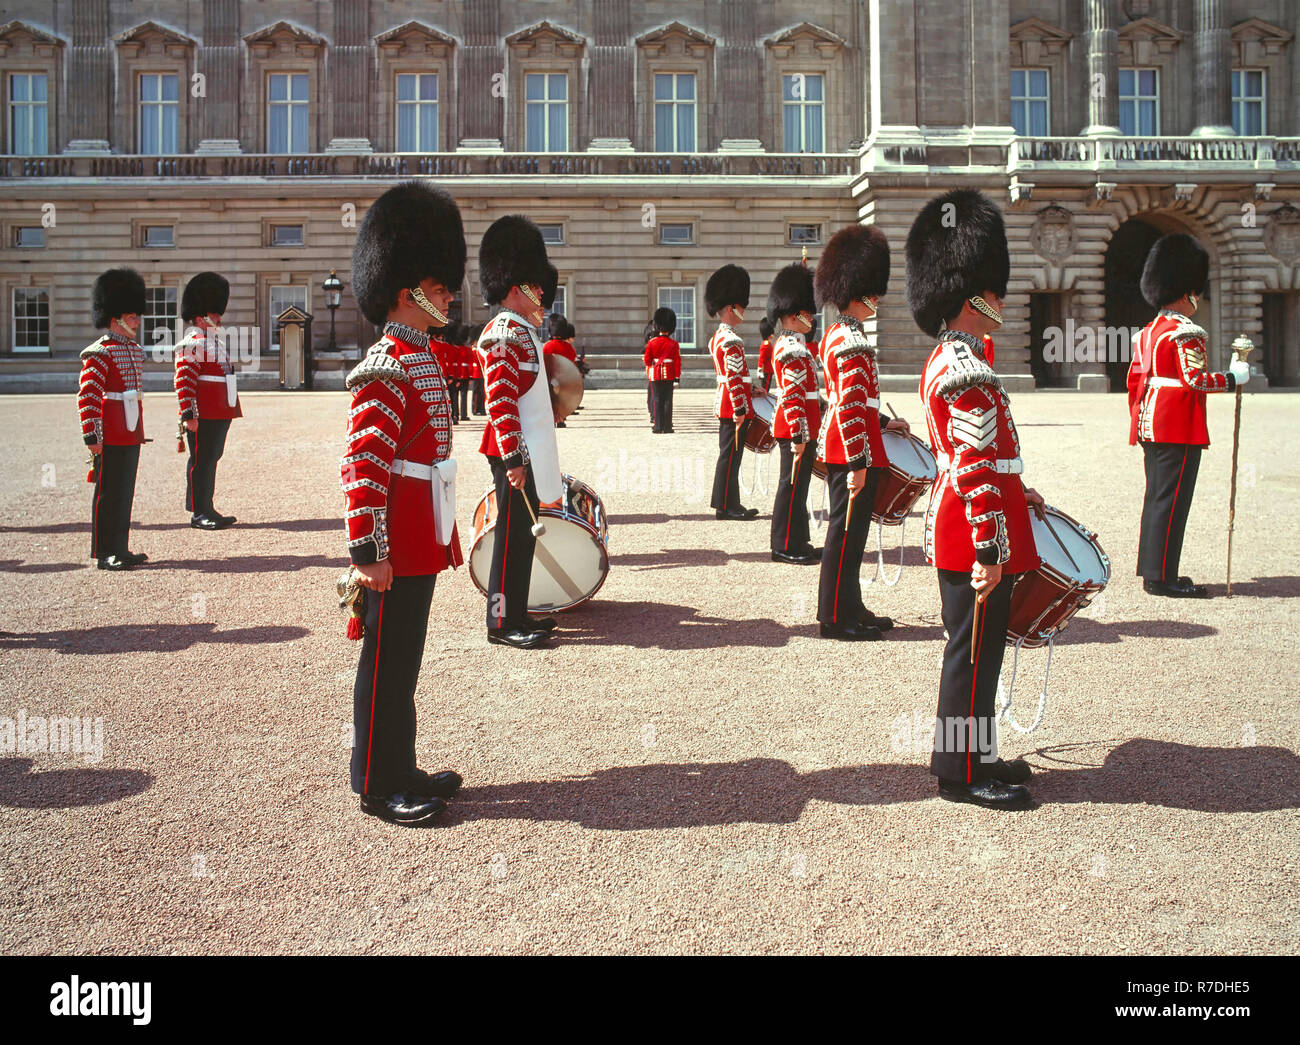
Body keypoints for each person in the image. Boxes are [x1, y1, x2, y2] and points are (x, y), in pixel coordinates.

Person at [906, 188, 1045, 811]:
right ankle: (960, 773)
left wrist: (1021, 490)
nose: (1001, 300)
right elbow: (970, 464)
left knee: (985, 651)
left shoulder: (960, 357)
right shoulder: (965, 367)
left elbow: (989, 457)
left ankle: (979, 752)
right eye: (993, 290)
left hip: (978, 520)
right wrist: (990, 544)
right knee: (970, 653)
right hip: (973, 532)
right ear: (971, 296)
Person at [342, 181, 467, 826]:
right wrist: (367, 550)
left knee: (406, 658)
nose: (448, 294)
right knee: (386, 662)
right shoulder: (385, 366)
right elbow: (364, 465)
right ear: (404, 289)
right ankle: (374, 779)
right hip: (395, 534)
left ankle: (402, 763)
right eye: (438, 285)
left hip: (424, 527)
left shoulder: (420, 354)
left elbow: (471, 362)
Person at [1128, 233, 1250, 598]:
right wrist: (1232, 378)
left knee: (1158, 498)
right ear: (1186, 292)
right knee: (1173, 501)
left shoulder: (1149, 331)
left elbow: (1136, 377)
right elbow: (1195, 380)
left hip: (1151, 420)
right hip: (1177, 424)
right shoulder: (1186, 331)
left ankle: (1156, 573)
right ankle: (1162, 579)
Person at [814, 224, 910, 639]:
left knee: (853, 537)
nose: (877, 301)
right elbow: (851, 405)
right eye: (872, 293)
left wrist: (887, 423)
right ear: (858, 291)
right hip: (852, 450)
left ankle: (851, 606)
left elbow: (857, 400)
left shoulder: (841, 333)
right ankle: (835, 617)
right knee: (845, 535)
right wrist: (857, 461)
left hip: (854, 444)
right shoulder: (851, 339)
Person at [475, 217, 562, 649]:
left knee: (525, 533)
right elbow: (500, 403)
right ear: (513, 287)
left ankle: (517, 610)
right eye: (533, 285)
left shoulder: (524, 332)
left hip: (526, 448)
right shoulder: (504, 334)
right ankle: (501, 623)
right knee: (510, 536)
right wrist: (513, 458)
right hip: (512, 452)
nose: (542, 291)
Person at [78, 268, 148, 571]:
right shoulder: (99, 353)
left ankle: (121, 546)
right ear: (115, 318)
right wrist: (93, 436)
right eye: (131, 316)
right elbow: (89, 396)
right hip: (109, 432)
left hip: (130, 429)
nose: (136, 321)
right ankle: (105, 551)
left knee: (125, 491)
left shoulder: (133, 350)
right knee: (108, 493)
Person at [174, 271, 240, 530]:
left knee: (212, 457)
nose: (218, 319)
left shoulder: (214, 343)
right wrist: (189, 414)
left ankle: (207, 506)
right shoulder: (191, 344)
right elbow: (184, 382)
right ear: (201, 317)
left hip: (219, 412)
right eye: (214, 315)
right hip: (203, 413)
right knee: (201, 460)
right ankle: (199, 512)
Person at [766, 265, 821, 565]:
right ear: (791, 315)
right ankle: (784, 544)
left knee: (799, 488)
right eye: (807, 313)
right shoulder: (791, 347)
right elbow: (793, 395)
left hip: (802, 427)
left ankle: (799, 540)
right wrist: (800, 434)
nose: (811, 318)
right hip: (794, 429)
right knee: (790, 487)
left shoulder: (796, 345)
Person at [707, 264, 758, 520]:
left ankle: (726, 502)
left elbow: (736, 376)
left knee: (729, 455)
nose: (743, 312)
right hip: (732, 405)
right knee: (731, 457)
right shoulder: (732, 340)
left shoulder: (718, 337)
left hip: (725, 401)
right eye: (741, 308)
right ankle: (727, 506)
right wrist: (740, 407)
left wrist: (753, 389)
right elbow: (734, 377)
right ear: (731, 308)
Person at [643, 307, 681, 434]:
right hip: (669, 374)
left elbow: (647, 361)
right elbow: (677, 362)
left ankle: (658, 426)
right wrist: (677, 378)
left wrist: (654, 364)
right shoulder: (674, 344)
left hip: (656, 374)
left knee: (657, 399)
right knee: (668, 400)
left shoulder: (652, 343)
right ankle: (667, 426)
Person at [543, 316, 578, 428]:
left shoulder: (547, 346)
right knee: (561, 400)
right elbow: (572, 361)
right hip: (564, 377)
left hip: (550, 377)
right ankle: (561, 419)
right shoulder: (568, 347)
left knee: (550, 400)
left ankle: (552, 419)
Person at [757, 316, 775, 393]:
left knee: (766, 388)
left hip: (768, 370)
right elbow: (761, 359)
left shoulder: (767, 344)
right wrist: (760, 371)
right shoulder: (766, 345)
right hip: (766, 371)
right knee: (765, 390)